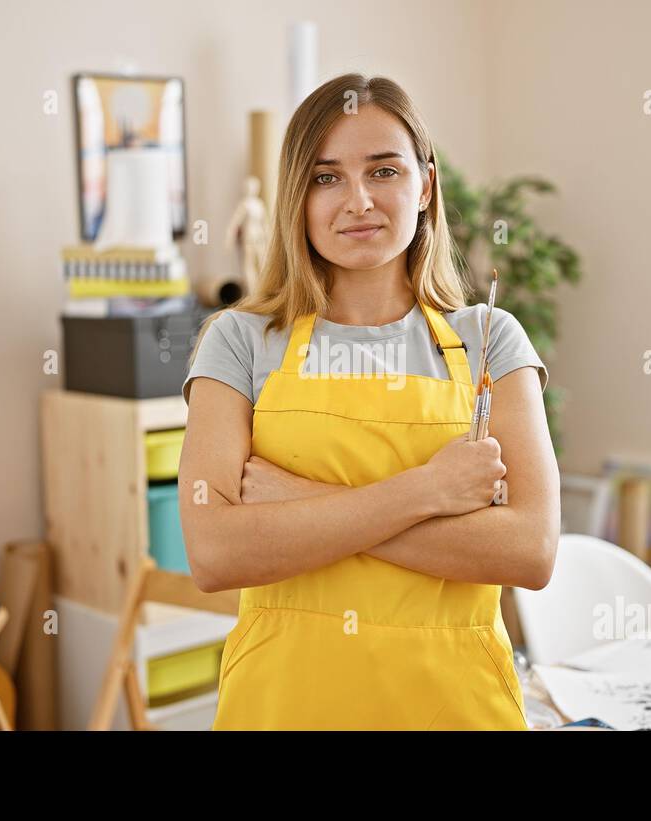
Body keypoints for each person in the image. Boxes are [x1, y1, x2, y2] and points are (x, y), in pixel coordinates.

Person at [179, 73, 560, 730]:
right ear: (297, 198)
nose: (358, 200)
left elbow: (529, 549)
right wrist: (427, 490)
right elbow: (214, 553)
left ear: (425, 186)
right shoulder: (238, 342)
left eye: (383, 170)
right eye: (327, 178)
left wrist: (298, 501)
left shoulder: (490, 338)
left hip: (457, 707)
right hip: (284, 706)